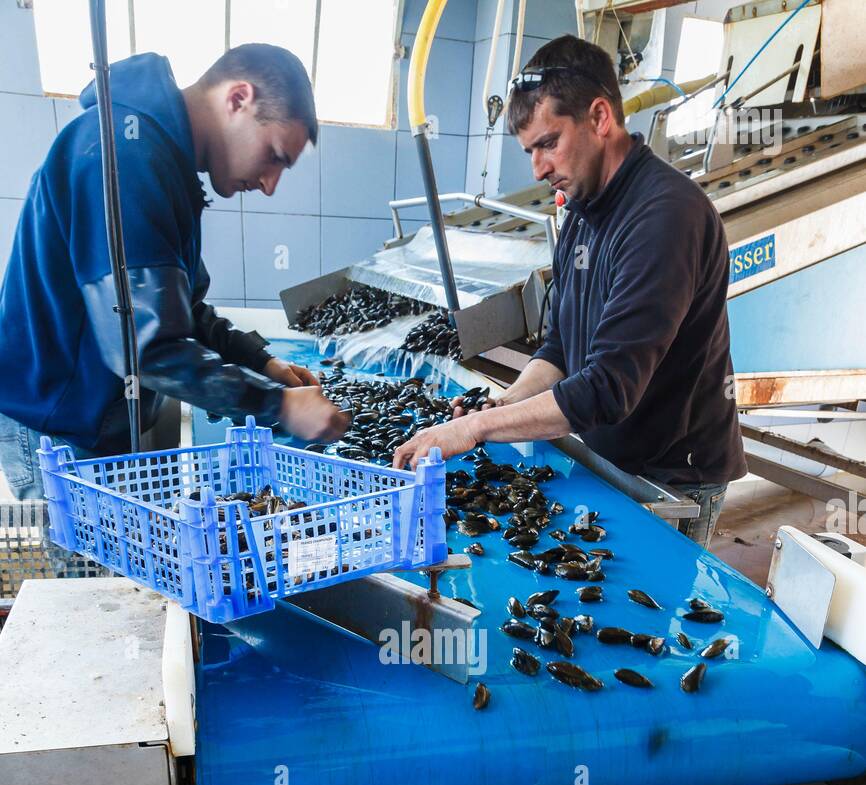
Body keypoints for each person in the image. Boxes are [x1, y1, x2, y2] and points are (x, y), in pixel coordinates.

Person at [393, 35, 746, 548]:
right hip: (608, 455)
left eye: (548, 143)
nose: (538, 168)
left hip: (672, 479)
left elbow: (607, 386)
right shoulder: (583, 207)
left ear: (600, 117)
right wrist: (502, 405)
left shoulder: (665, 217)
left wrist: (475, 431)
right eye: (529, 150)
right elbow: (559, 348)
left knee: (656, 623)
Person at [0, 44, 347, 500]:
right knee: (95, 573)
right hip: (58, 429)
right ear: (238, 98)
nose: (269, 185)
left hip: (92, 419)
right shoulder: (128, 156)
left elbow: (182, 310)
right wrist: (277, 405)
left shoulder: (164, 163)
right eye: (274, 156)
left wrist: (260, 362)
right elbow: (147, 346)